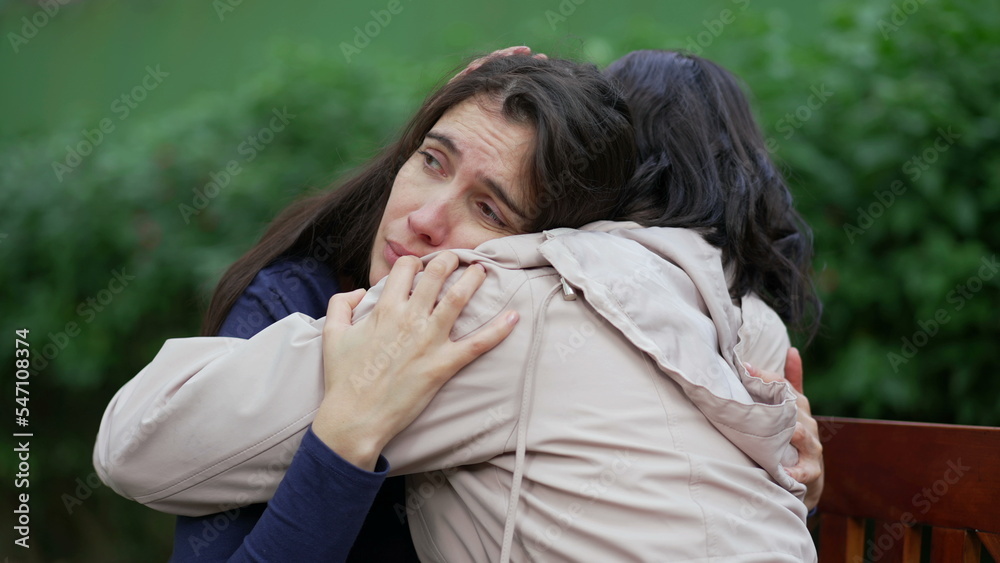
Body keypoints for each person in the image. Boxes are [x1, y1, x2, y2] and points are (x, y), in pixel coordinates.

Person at [95, 51, 822, 562]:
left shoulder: (498, 303)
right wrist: (348, 426)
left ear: (552, 239)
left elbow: (136, 443)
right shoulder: (722, 319)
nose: (424, 220)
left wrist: (348, 423)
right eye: (431, 158)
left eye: (490, 208)